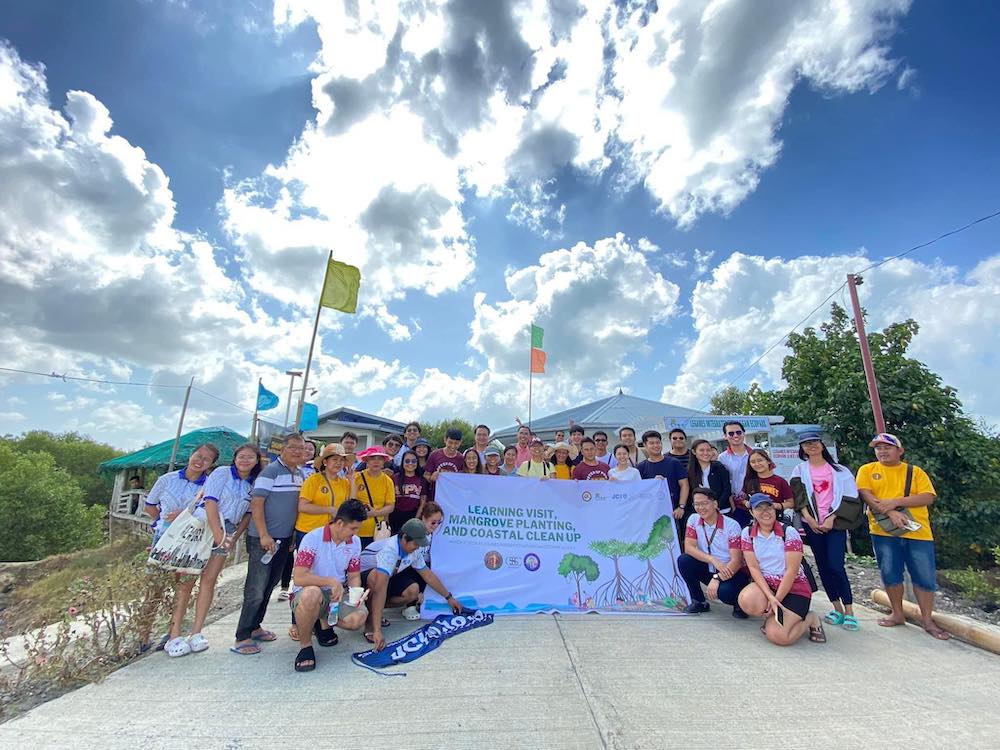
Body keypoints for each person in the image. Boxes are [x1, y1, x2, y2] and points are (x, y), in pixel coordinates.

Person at [163, 444, 257, 657]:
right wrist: (218, 533)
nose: (245, 460)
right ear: (234, 458)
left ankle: (196, 632)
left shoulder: (253, 483)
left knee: (209, 581)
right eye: (241, 456)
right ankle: (174, 634)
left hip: (228, 531)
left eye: (250, 457)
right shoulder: (222, 473)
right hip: (204, 527)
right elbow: (210, 501)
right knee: (186, 582)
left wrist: (233, 537)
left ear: (256, 460)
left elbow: (247, 513)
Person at [857, 433, 949, 640]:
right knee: (890, 573)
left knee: (924, 576)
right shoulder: (867, 470)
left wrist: (895, 502)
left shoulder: (914, 472)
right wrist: (891, 512)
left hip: (918, 532)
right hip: (883, 531)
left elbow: (927, 497)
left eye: (887, 447)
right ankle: (897, 613)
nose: (882, 451)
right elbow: (867, 496)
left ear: (900, 450)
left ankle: (927, 619)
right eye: (878, 448)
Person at [232, 434, 306, 656]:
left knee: (268, 587)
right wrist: (264, 535)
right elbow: (257, 504)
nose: (296, 452)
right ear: (282, 449)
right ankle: (242, 636)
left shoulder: (300, 474)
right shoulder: (270, 472)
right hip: (262, 539)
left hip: (284, 539)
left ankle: (255, 627)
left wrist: (292, 534)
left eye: (300, 448)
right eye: (292, 447)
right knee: (255, 589)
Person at [288, 500, 370, 672]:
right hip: (310, 591)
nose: (356, 533)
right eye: (353, 528)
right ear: (339, 523)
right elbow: (299, 577)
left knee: (358, 619)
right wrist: (331, 582)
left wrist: (356, 592)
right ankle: (305, 647)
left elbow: (354, 575)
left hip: (336, 594)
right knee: (311, 594)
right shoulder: (312, 538)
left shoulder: (354, 542)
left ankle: (322, 620)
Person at [790, 431, 859, 631]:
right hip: (812, 526)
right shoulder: (799, 470)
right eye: (806, 444)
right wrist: (810, 520)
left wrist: (832, 518)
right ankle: (836, 608)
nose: (811, 447)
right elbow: (799, 497)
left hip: (834, 525)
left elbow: (850, 498)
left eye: (814, 442)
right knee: (823, 567)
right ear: (801, 448)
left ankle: (850, 611)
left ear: (821, 445)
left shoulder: (840, 471)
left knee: (836, 565)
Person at [737, 493, 826, 646]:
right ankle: (773, 618)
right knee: (747, 600)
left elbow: (792, 571)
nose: (765, 512)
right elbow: (753, 567)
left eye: (769, 507)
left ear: (774, 508)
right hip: (769, 586)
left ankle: (810, 618)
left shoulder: (789, 532)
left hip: (794, 588)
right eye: (759, 508)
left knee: (780, 637)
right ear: (751, 512)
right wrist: (770, 597)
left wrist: (776, 599)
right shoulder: (747, 533)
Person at [361, 518, 462, 650]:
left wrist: (449, 597)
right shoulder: (389, 550)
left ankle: (375, 612)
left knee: (413, 591)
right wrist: (378, 630)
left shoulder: (414, 550)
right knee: (377, 581)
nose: (417, 547)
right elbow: (380, 588)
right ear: (404, 538)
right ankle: (371, 621)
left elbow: (428, 575)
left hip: (390, 574)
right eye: (415, 544)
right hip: (363, 578)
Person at [279, 443, 352, 608]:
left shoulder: (344, 482)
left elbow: (350, 504)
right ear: (325, 462)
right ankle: (296, 619)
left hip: (331, 535)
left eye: (342, 460)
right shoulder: (314, 480)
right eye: (334, 459)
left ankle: (320, 615)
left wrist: (352, 481)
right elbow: (302, 506)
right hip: (308, 532)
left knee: (324, 573)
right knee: (304, 576)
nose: (338, 463)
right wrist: (328, 509)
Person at [678, 487, 749, 617]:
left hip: (730, 570)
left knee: (725, 593)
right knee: (684, 560)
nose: (701, 508)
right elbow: (689, 547)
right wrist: (712, 559)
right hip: (712, 566)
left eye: (704, 503)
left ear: (715, 504)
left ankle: (740, 604)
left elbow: (737, 561)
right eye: (697, 504)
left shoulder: (732, 525)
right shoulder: (694, 519)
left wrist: (717, 578)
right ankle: (699, 601)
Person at [144, 443, 217, 545]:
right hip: (163, 534)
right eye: (198, 456)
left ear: (211, 464)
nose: (200, 461)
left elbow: (211, 512)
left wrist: (184, 517)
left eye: (206, 460)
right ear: (191, 455)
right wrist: (163, 519)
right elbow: (149, 505)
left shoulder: (211, 486)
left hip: (192, 537)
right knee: (156, 561)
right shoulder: (166, 479)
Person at [637, 430, 689, 533]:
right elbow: (640, 491)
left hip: (675, 511)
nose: (655, 445)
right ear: (645, 445)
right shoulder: (641, 467)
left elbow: (684, 485)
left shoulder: (674, 462)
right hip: (653, 512)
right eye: (651, 443)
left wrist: (681, 506)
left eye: (658, 442)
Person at [353, 446, 395, 548]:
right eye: (372, 458)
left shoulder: (387, 481)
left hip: (378, 531)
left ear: (384, 462)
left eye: (379, 459)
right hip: (355, 530)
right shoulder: (356, 477)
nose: (376, 462)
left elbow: (390, 506)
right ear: (366, 461)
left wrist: (374, 513)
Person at [742, 449, 793, 525]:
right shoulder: (749, 481)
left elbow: (791, 503)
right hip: (756, 521)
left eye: (760, 460)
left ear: (768, 461)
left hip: (776, 520)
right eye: (753, 462)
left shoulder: (780, 481)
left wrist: (776, 506)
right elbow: (743, 499)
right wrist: (747, 503)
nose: (757, 464)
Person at [687, 439, 732, 516]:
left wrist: (716, 506)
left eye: (708, 450)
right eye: (701, 450)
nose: (706, 453)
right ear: (694, 452)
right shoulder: (690, 472)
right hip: (701, 513)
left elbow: (727, 489)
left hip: (722, 511)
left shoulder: (719, 467)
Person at [718, 421, 751, 521]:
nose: (735, 435)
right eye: (731, 433)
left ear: (744, 433)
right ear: (725, 436)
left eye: (738, 432)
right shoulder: (722, 458)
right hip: (735, 505)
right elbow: (723, 483)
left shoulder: (755, 452)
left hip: (757, 502)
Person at [390, 450, 428, 532]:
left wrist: (416, 519)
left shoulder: (422, 480)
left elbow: (423, 502)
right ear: (402, 463)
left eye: (413, 461)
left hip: (413, 516)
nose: (410, 463)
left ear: (417, 462)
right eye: (407, 461)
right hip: (394, 517)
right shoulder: (394, 478)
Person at [425, 428, 465, 498]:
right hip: (435, 496)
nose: (453, 446)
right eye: (450, 442)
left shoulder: (461, 458)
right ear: (445, 440)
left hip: (453, 496)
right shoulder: (434, 455)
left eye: (456, 443)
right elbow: (425, 475)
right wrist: (431, 478)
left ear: (460, 442)